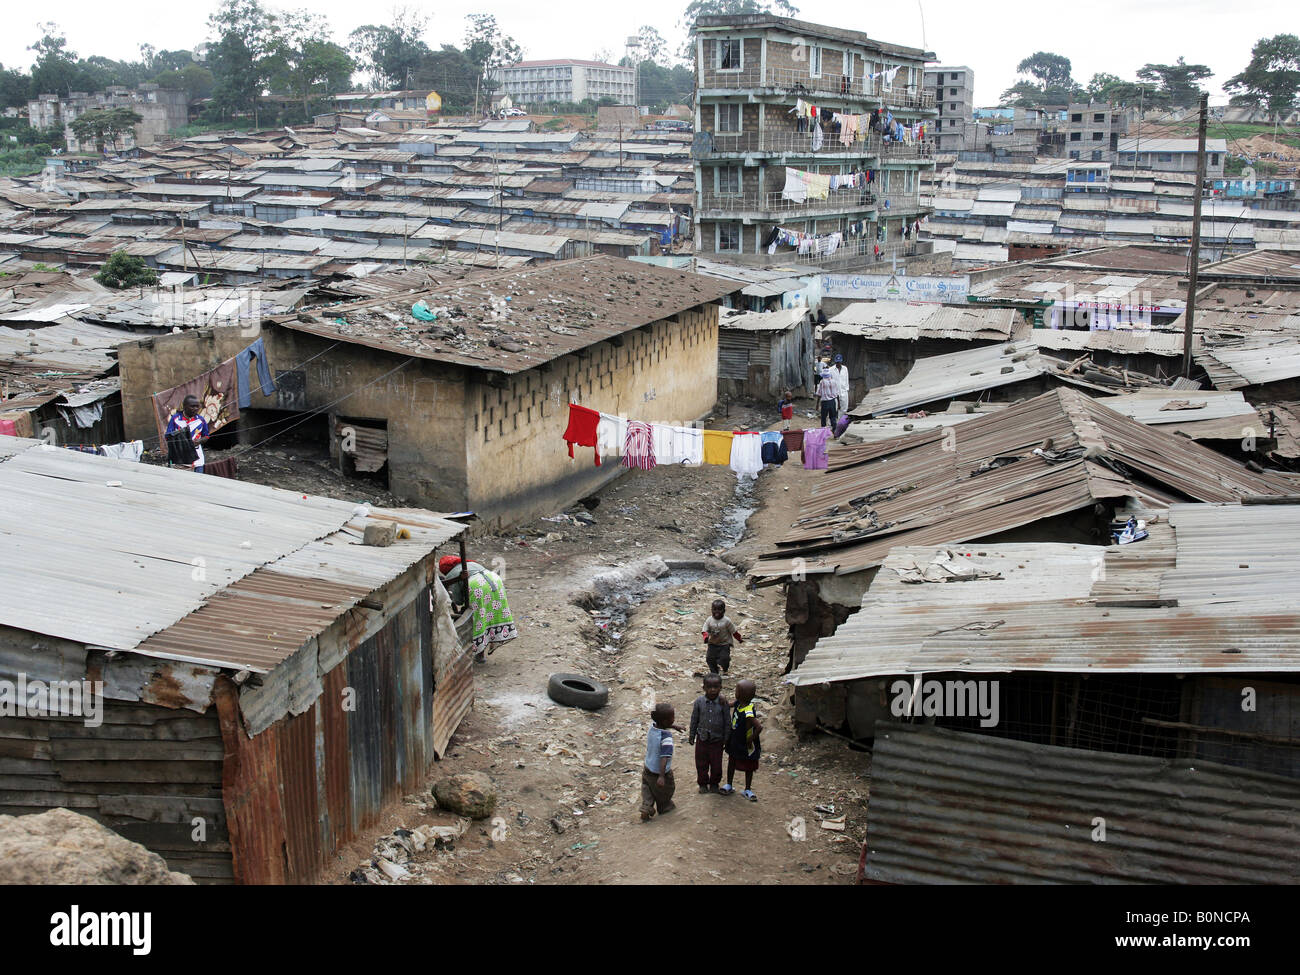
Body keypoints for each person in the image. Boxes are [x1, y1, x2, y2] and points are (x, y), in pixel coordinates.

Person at [438, 556, 518, 662]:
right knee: (492, 613)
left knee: (478, 619)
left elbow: (458, 600)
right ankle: (488, 644)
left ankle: (480, 655)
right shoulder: (471, 564)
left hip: (477, 587)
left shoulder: (452, 574)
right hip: (495, 580)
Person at [719, 679, 763, 801]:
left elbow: (759, 727)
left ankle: (747, 789)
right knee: (732, 760)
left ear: (740, 694)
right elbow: (729, 705)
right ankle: (729, 784)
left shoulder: (748, 710)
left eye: (736, 690)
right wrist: (722, 701)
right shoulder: (739, 703)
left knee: (749, 765)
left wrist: (750, 738)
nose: (735, 692)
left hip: (745, 742)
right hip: (735, 738)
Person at [688, 675, 729, 794]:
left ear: (720, 687)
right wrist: (692, 735)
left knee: (716, 764)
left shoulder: (723, 703)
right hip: (702, 738)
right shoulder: (699, 702)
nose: (712, 690)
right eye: (709, 687)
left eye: (716, 687)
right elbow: (694, 719)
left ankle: (714, 783)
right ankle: (703, 784)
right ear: (703, 688)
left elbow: (727, 721)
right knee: (701, 763)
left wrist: (726, 738)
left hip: (717, 740)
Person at [641, 702, 678, 822]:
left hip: (647, 768)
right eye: (672, 717)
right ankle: (664, 806)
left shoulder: (652, 728)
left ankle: (646, 807)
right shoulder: (666, 737)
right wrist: (662, 776)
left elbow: (662, 725)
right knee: (665, 791)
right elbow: (664, 757)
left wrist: (674, 726)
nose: (674, 719)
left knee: (648, 789)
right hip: (659, 772)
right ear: (666, 721)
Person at [164, 394, 210, 473]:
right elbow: (168, 436)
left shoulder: (200, 420)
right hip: (180, 458)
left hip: (198, 459)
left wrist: (199, 441)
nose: (195, 409)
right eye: (192, 406)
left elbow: (206, 436)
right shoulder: (175, 419)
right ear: (184, 406)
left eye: (197, 406)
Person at [702, 598, 743, 676]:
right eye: (714, 610)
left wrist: (739, 639)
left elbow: (734, 631)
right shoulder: (709, 620)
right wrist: (706, 637)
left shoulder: (726, 621)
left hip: (724, 643)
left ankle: (725, 667)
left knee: (724, 659)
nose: (717, 612)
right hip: (712, 643)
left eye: (719, 610)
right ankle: (714, 672)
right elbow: (705, 630)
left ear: (724, 611)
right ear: (711, 610)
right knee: (710, 659)